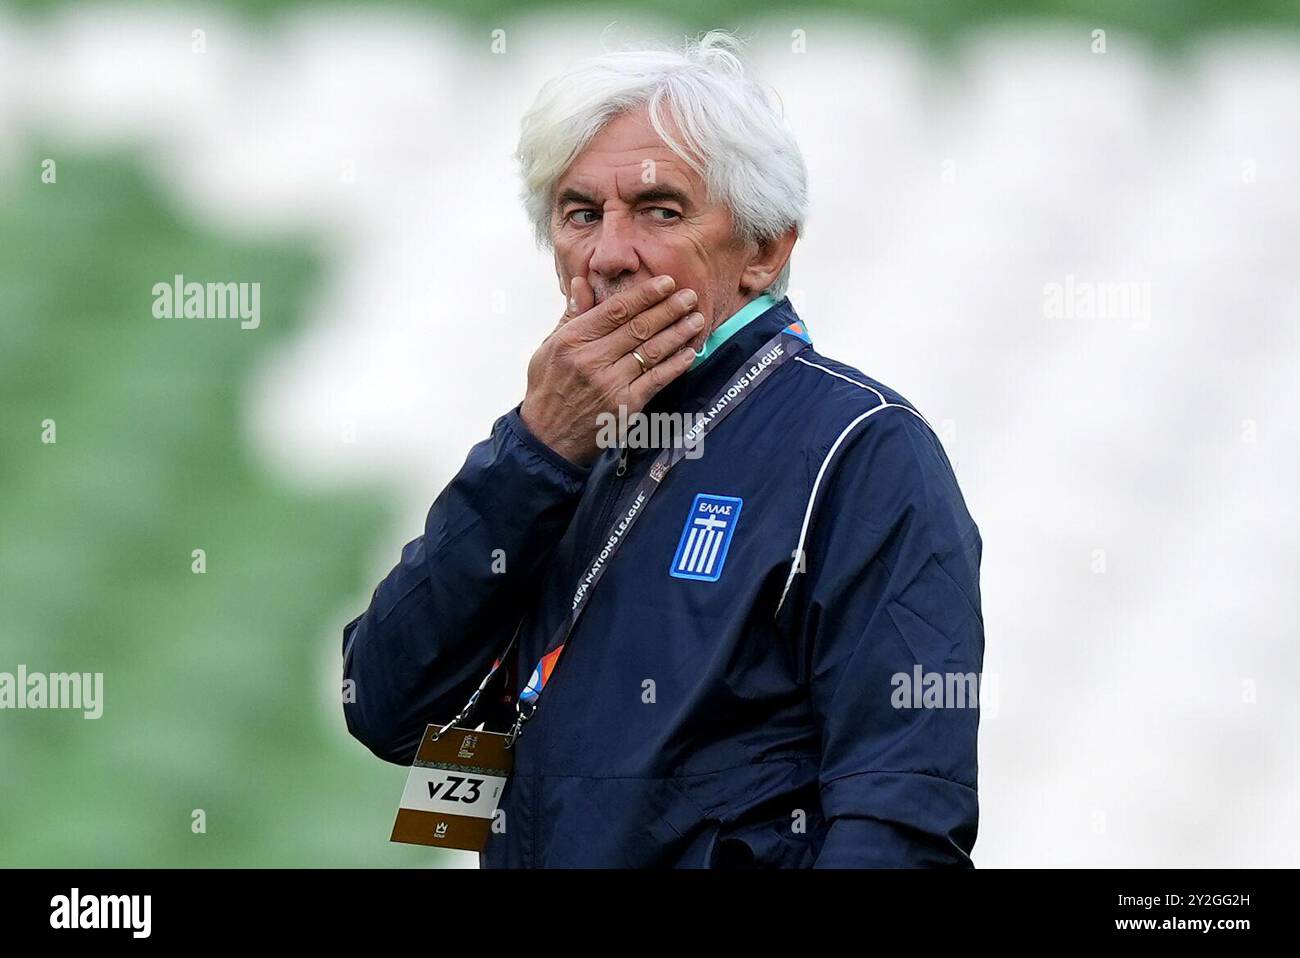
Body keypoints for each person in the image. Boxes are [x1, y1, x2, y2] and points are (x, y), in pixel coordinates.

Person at [342, 30, 984, 868]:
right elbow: (384, 703)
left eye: (659, 210)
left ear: (764, 248)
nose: (609, 254)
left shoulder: (861, 447)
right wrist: (535, 454)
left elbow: (900, 814)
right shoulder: (554, 446)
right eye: (580, 214)